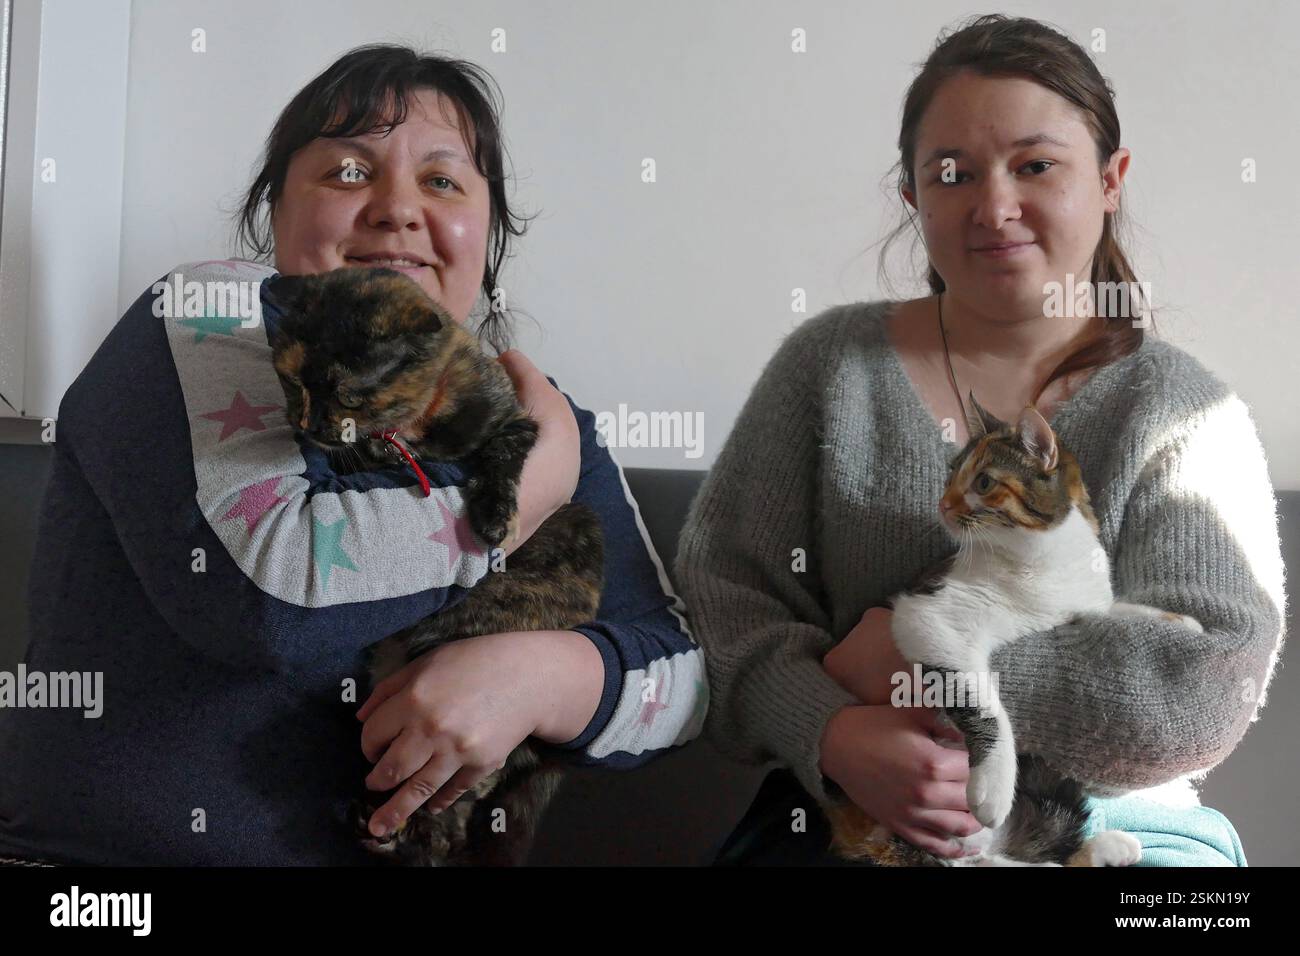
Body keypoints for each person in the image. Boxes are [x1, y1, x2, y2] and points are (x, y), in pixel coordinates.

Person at [0, 44, 704, 866]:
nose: (396, 208)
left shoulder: (540, 416)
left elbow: (682, 687)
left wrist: (544, 678)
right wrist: (511, 509)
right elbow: (269, 600)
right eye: (345, 172)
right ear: (278, 211)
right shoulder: (208, 319)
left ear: (487, 234)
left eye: (443, 181)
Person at [676, 14, 1283, 867]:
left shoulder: (1184, 411)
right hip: (859, 806)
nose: (995, 207)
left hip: (1124, 824)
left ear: (1112, 180)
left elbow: (1206, 687)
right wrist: (833, 728)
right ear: (912, 196)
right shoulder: (828, 369)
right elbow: (721, 606)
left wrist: (923, 668)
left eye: (1036, 166)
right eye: (952, 173)